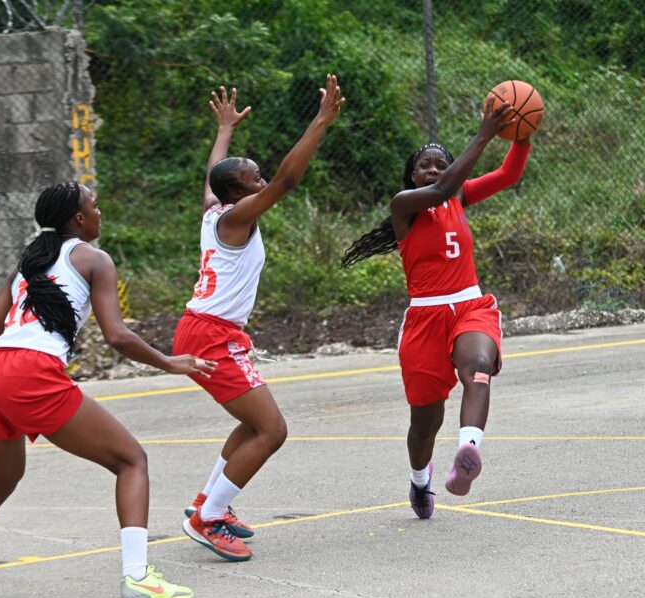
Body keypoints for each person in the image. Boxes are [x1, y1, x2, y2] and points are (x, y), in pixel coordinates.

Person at [0, 181, 216, 598]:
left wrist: (8, 377)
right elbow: (118, 335)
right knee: (131, 460)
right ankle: (139, 580)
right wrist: (170, 362)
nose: (99, 212)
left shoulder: (27, 266)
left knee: (0, 480)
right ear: (78, 218)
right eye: (95, 205)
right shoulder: (94, 259)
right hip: (31, 373)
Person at [173, 76, 345, 561]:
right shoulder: (236, 217)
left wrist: (224, 130)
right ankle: (208, 520)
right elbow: (290, 180)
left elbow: (214, 175)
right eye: (254, 178)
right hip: (211, 334)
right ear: (239, 193)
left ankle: (207, 504)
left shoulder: (216, 208)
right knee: (272, 431)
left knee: (253, 427)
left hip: (206, 327)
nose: (263, 180)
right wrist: (320, 121)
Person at [341, 97, 533, 519]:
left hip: (469, 306)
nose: (433, 169)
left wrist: (523, 135)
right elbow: (444, 187)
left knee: (478, 368)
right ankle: (419, 481)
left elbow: (509, 173)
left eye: (439, 163)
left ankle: (468, 451)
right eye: (425, 165)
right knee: (424, 423)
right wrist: (484, 134)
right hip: (425, 319)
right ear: (413, 176)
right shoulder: (405, 205)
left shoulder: (458, 196)